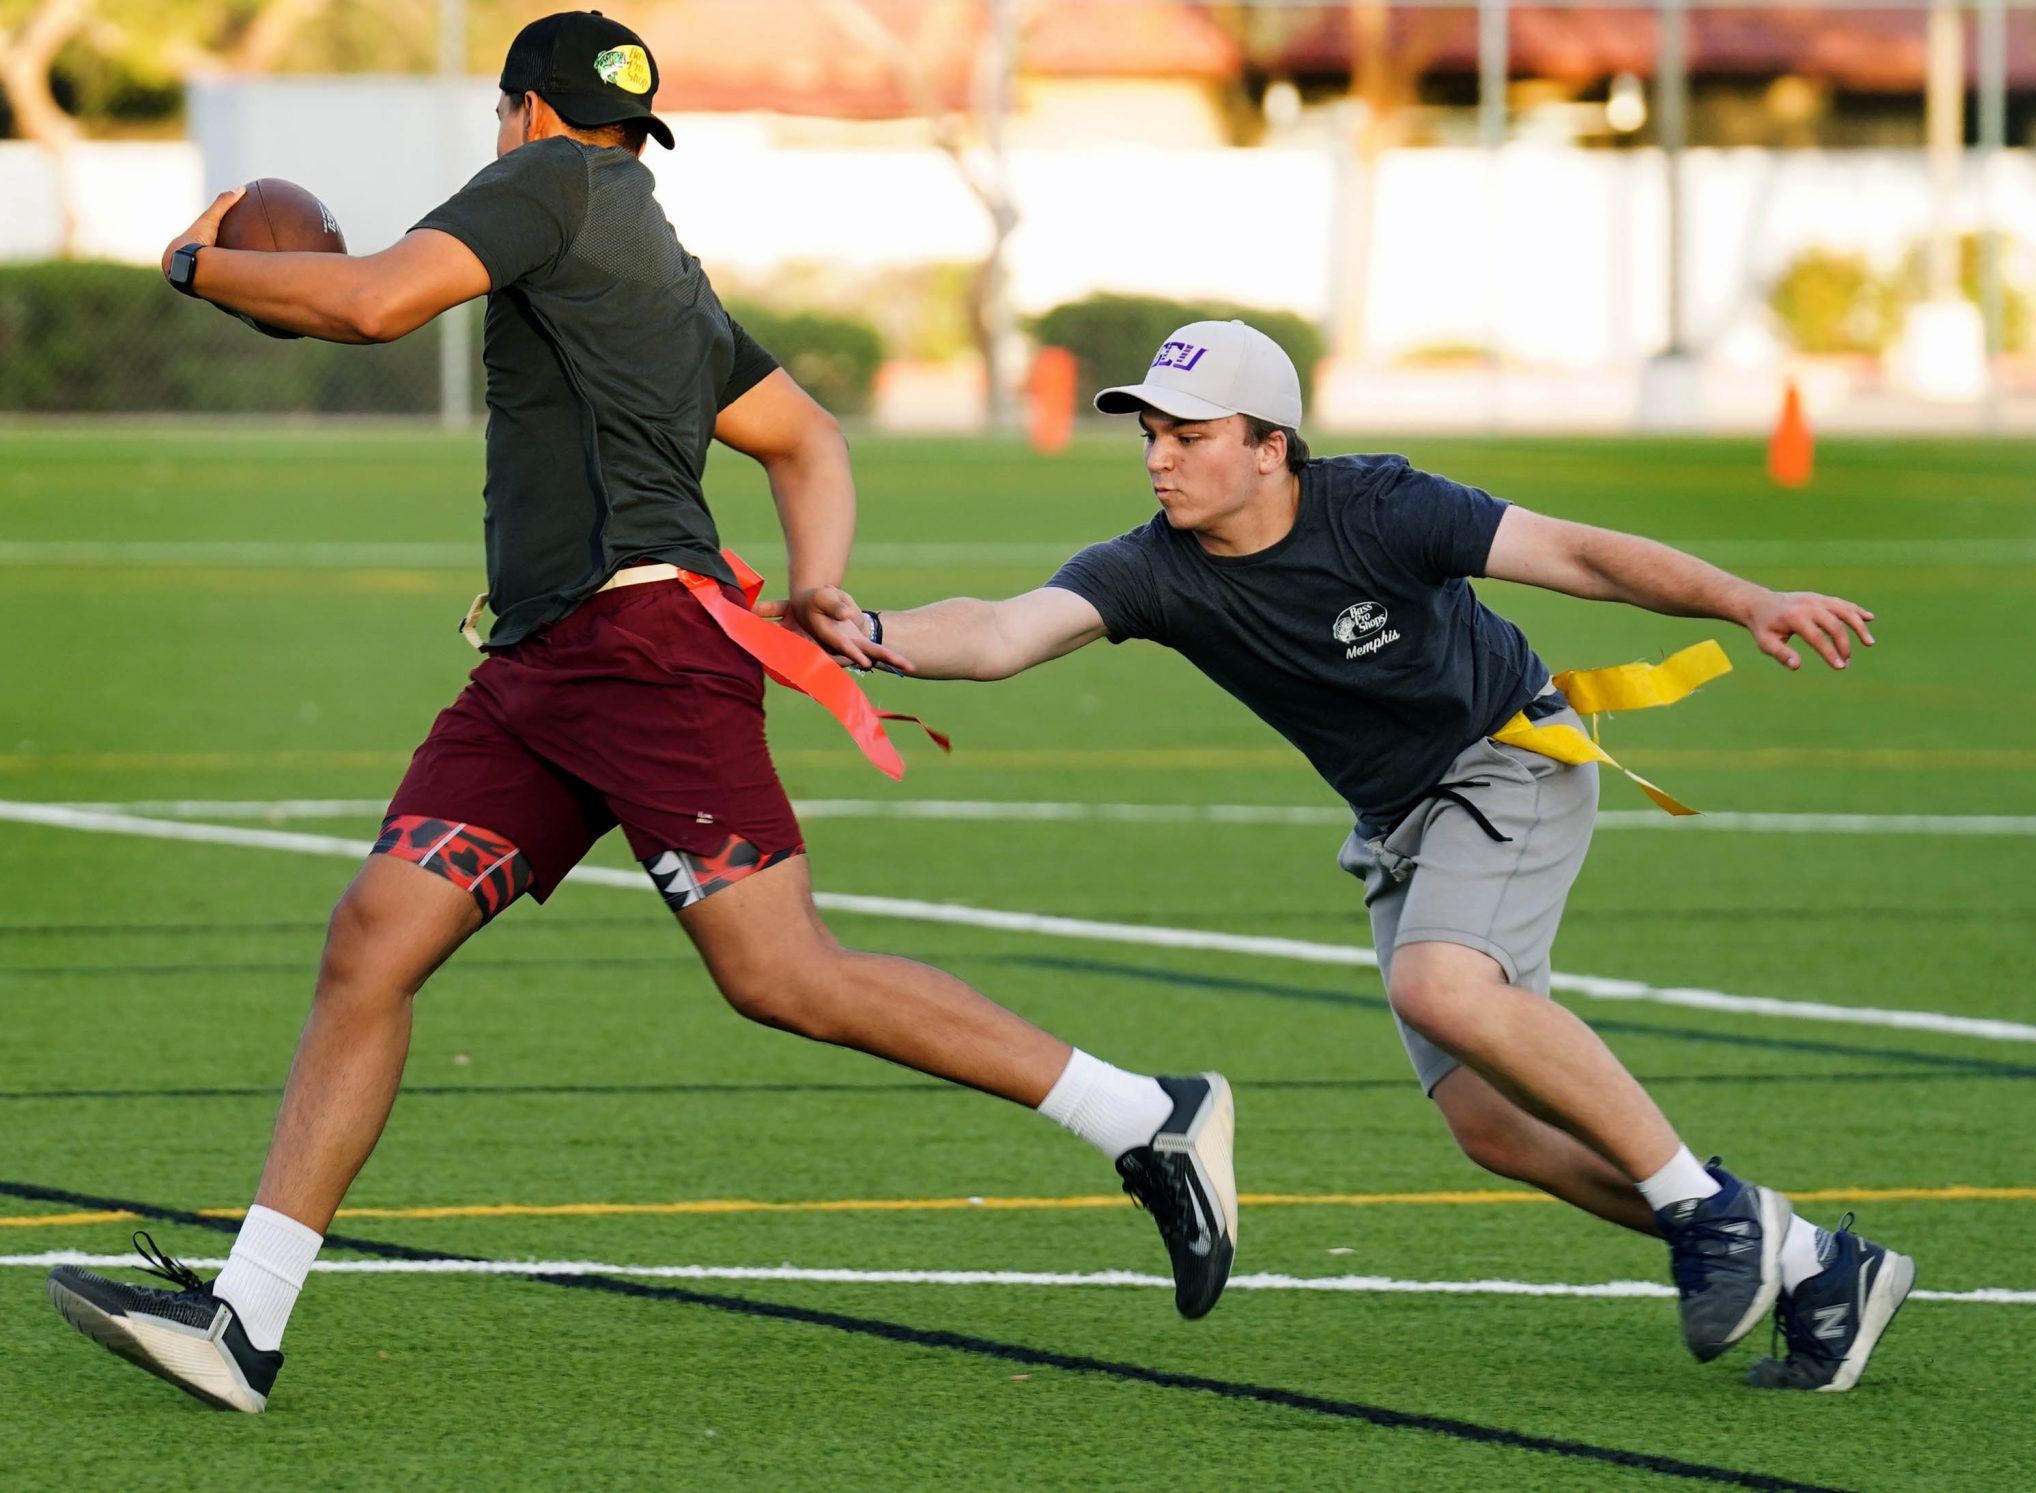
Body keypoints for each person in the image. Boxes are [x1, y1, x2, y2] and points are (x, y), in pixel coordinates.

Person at [45, 14, 1236, 1415]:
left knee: (778, 973)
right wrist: (822, 580)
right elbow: (810, 436)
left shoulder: (547, 185)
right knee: (377, 935)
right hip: (547, 668)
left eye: (510, 124)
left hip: (646, 651)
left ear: (523, 116)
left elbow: (368, 303)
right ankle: (245, 1322)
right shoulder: (652, 247)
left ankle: (1146, 1115)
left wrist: (191, 259)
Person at [831, 318, 1914, 1394]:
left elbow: (1575, 554)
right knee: (1493, 1128)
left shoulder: (1383, 507)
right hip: (1400, 818)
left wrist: (1748, 599)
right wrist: (860, 625)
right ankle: (1816, 1265)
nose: (1159, 458)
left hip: (1507, 759)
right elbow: (998, 632)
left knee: (1440, 984)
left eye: (1189, 435)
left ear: (1270, 446)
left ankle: (1712, 1211)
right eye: (1151, 434)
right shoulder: (1149, 569)